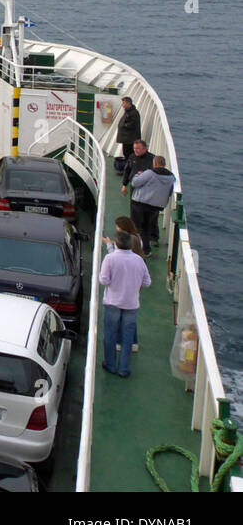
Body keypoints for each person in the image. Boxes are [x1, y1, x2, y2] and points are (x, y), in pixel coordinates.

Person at [98, 229, 151, 377]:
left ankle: (110, 365)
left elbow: (104, 280)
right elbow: (147, 282)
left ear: (116, 244)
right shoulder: (139, 260)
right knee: (127, 338)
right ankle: (123, 369)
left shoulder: (110, 259)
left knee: (110, 335)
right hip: (131, 304)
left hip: (112, 303)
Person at [129, 155, 176, 253]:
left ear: (155, 163)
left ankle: (133, 249)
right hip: (156, 207)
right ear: (164, 164)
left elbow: (135, 183)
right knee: (146, 228)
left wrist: (138, 175)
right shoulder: (171, 177)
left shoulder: (150, 173)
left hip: (140, 203)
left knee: (134, 227)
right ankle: (146, 250)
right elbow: (170, 192)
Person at [115, 96, 142, 162]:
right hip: (127, 139)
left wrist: (123, 125)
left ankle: (129, 167)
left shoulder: (133, 113)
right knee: (126, 153)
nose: (122, 105)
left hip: (130, 139)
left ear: (128, 103)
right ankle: (127, 166)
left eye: (123, 103)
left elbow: (133, 124)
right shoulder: (128, 112)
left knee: (129, 153)